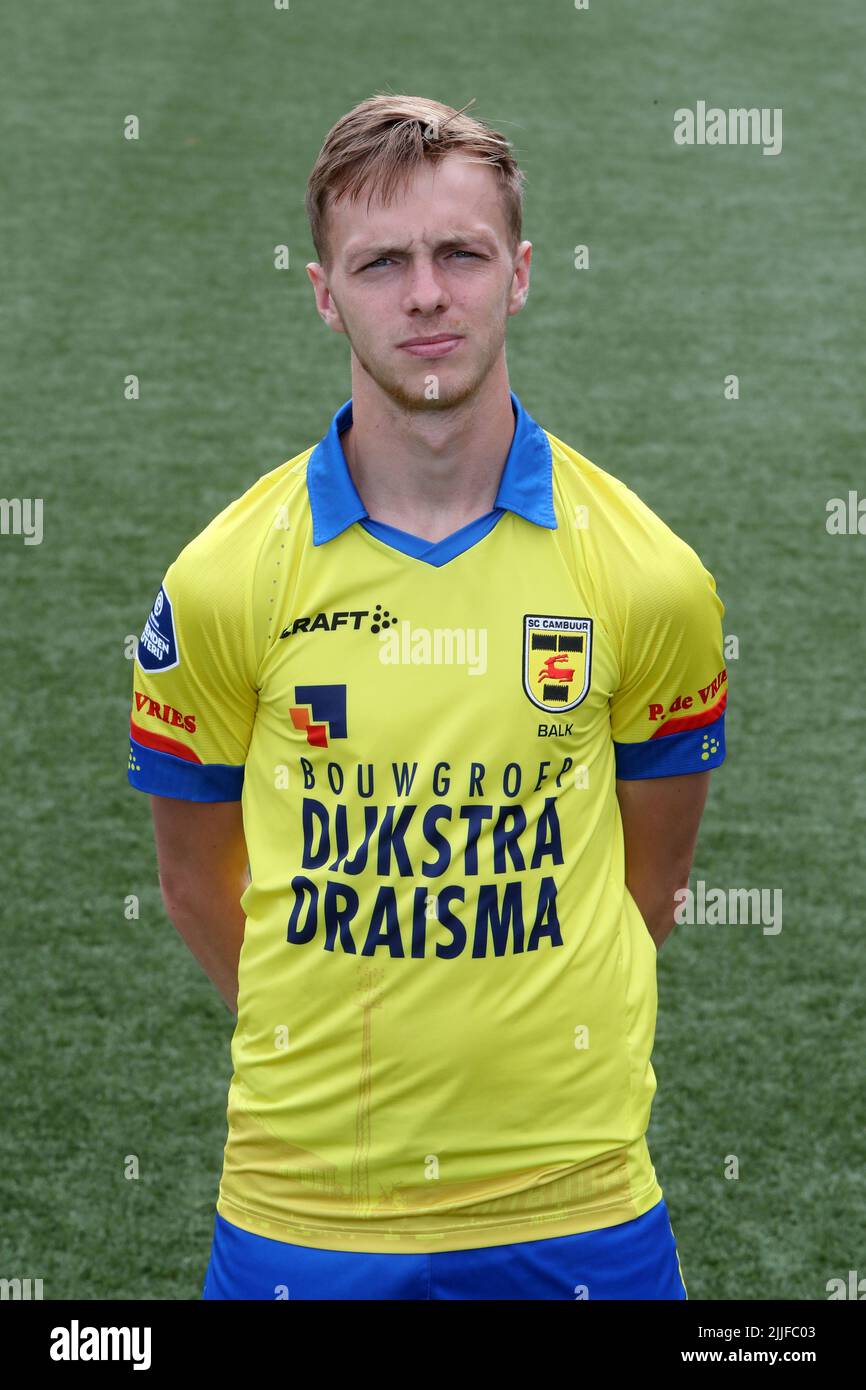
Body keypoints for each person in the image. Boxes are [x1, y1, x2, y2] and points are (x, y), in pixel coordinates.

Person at [127, 94, 727, 1300]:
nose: (423, 295)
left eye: (458, 254)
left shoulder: (651, 576)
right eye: (380, 262)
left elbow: (645, 885)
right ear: (321, 292)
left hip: (576, 1199)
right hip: (305, 1203)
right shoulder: (223, 578)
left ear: (516, 275)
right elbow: (195, 881)